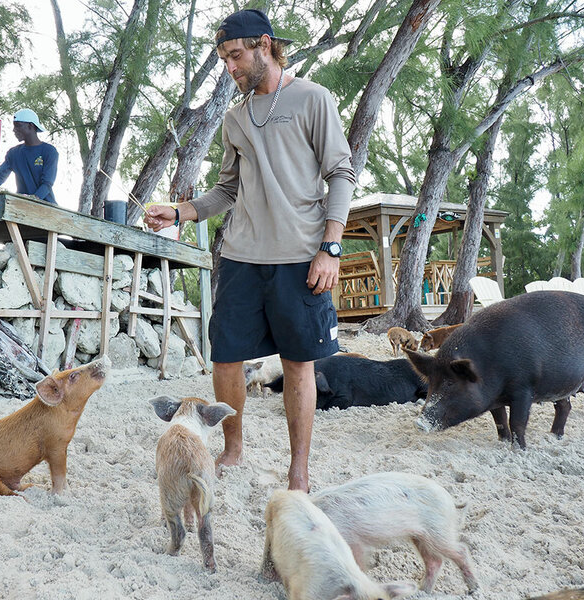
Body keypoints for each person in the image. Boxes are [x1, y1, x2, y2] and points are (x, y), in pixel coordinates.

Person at [144, 9, 356, 492]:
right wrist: (180, 212)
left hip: (302, 255)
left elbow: (341, 174)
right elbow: (227, 190)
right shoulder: (234, 118)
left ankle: (298, 470)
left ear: (264, 44)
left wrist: (331, 247)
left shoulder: (312, 99)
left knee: (300, 364)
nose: (230, 67)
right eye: (222, 59)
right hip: (241, 257)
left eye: (235, 55)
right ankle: (233, 449)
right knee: (226, 356)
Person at [0, 108, 59, 204]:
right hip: (21, 206)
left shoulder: (49, 151)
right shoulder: (14, 153)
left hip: (46, 208)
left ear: (30, 125)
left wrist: (34, 198)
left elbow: (47, 183)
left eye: (18, 126)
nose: (14, 130)